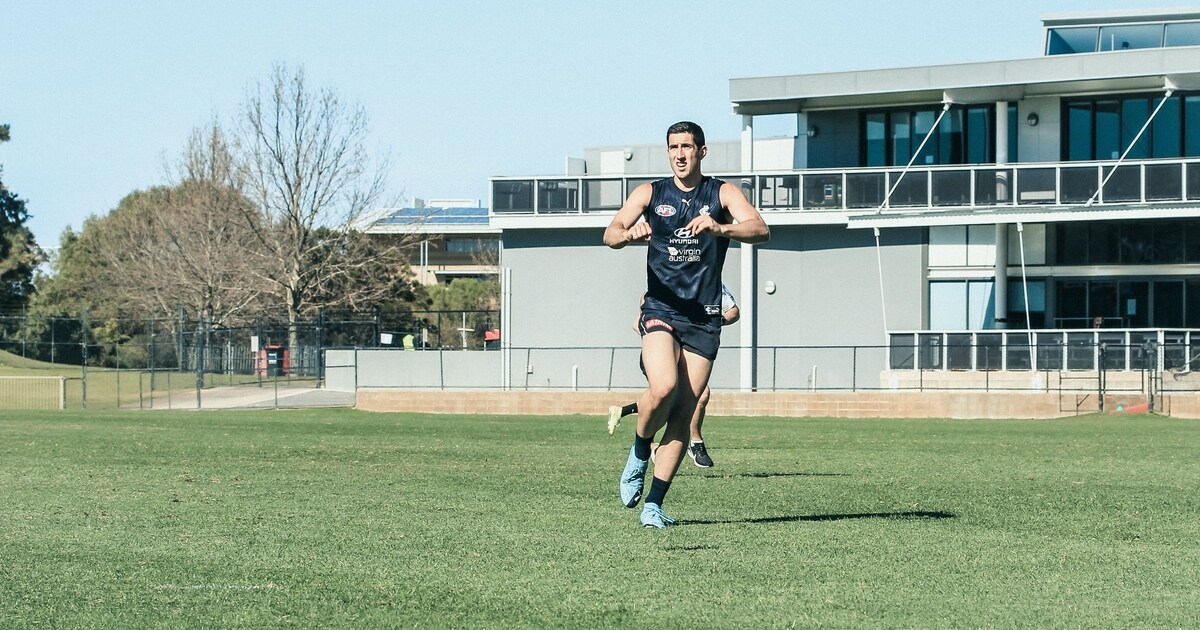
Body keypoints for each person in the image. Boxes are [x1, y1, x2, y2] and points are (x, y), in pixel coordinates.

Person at [603, 120, 769, 528]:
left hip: (704, 317)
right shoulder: (650, 192)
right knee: (663, 387)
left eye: (687, 147)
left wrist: (721, 226)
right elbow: (610, 233)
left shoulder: (722, 192)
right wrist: (628, 235)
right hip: (661, 309)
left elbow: (761, 228)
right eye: (673, 147)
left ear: (702, 151)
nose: (680, 154)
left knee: (683, 413)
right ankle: (641, 450)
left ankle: (654, 506)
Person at [607, 284, 740, 471]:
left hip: (690, 352)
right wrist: (659, 334)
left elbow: (734, 311)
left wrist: (714, 320)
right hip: (662, 354)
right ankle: (646, 447)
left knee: (698, 396)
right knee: (665, 396)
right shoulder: (664, 282)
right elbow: (638, 321)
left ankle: (695, 443)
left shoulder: (712, 284)